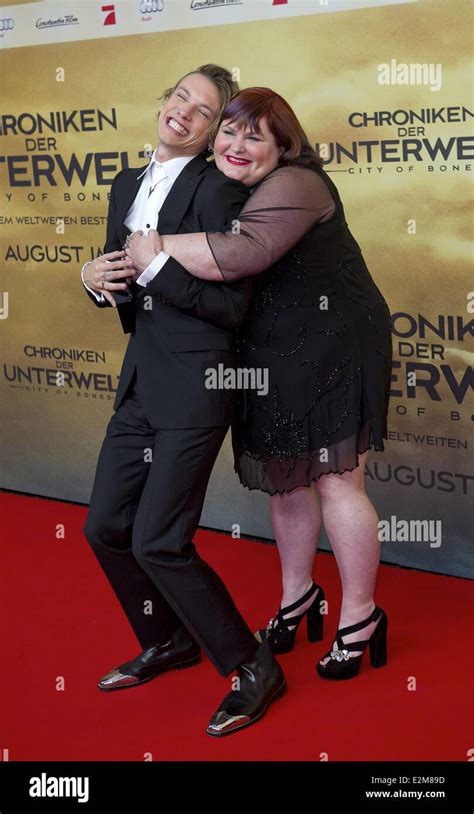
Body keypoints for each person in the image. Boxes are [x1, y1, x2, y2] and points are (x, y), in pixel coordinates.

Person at [125, 87, 393, 684]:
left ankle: (361, 616)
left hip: (333, 343)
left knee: (336, 480)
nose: (236, 145)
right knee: (285, 484)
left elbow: (244, 254)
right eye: (228, 131)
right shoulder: (225, 188)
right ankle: (298, 599)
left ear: (284, 145)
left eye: (255, 136)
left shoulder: (300, 182)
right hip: (270, 348)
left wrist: (151, 247)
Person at [81, 68, 286, 738]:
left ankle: (253, 667)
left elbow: (232, 304)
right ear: (164, 100)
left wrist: (157, 267)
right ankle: (168, 639)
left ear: (210, 131)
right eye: (180, 98)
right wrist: (95, 279)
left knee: (159, 539)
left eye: (203, 111)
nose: (184, 113)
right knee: (106, 527)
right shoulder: (124, 183)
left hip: (199, 386)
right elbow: (126, 281)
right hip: (141, 381)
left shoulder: (218, 188)